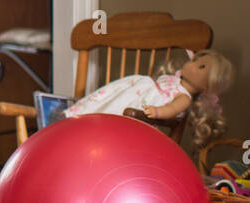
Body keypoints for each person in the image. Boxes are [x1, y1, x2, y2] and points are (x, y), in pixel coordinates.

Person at [59, 48, 235, 150]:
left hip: (140, 111)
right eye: (196, 60)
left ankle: (94, 132)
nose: (192, 63)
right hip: (133, 93)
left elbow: (173, 109)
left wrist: (157, 111)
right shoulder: (173, 80)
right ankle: (82, 120)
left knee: (118, 112)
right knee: (110, 100)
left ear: (207, 86)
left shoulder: (184, 98)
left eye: (201, 66)